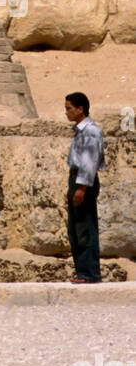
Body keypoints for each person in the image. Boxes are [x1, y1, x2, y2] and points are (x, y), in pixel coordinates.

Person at [64, 93, 105, 283]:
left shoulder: (90, 131)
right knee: (75, 228)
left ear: (80, 109)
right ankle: (83, 272)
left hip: (84, 181)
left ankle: (90, 274)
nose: (66, 112)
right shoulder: (81, 131)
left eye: (69, 108)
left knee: (85, 228)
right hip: (77, 180)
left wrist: (81, 188)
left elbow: (89, 162)